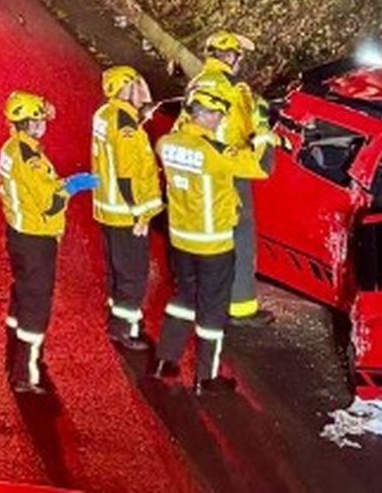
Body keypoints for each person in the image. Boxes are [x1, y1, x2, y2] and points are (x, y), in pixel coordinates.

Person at [152, 82, 269, 392]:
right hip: (213, 243)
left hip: (181, 241)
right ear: (205, 115)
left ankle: (166, 358)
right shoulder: (215, 153)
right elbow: (260, 167)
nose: (220, 120)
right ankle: (206, 377)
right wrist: (264, 134)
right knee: (212, 310)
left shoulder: (167, 143)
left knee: (183, 298)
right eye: (218, 114)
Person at [0, 90, 98, 394]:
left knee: (22, 296)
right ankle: (26, 373)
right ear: (26, 123)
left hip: (19, 233)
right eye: (39, 120)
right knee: (36, 304)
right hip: (35, 238)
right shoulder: (29, 159)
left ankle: (14, 355)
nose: (44, 125)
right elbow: (51, 201)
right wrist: (74, 185)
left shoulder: (13, 148)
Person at [192, 30, 280, 326]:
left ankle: (206, 300)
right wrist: (264, 126)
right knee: (240, 237)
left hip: (202, 170)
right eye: (238, 56)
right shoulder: (235, 89)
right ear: (229, 56)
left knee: (210, 238)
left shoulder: (198, 82)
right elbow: (247, 129)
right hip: (230, 170)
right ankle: (240, 307)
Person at [90, 65, 161, 351]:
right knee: (133, 272)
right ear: (124, 89)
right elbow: (127, 175)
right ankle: (124, 328)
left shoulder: (105, 114)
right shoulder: (127, 127)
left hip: (107, 208)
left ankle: (116, 316)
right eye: (135, 84)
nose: (142, 89)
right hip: (125, 213)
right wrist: (140, 214)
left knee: (116, 270)